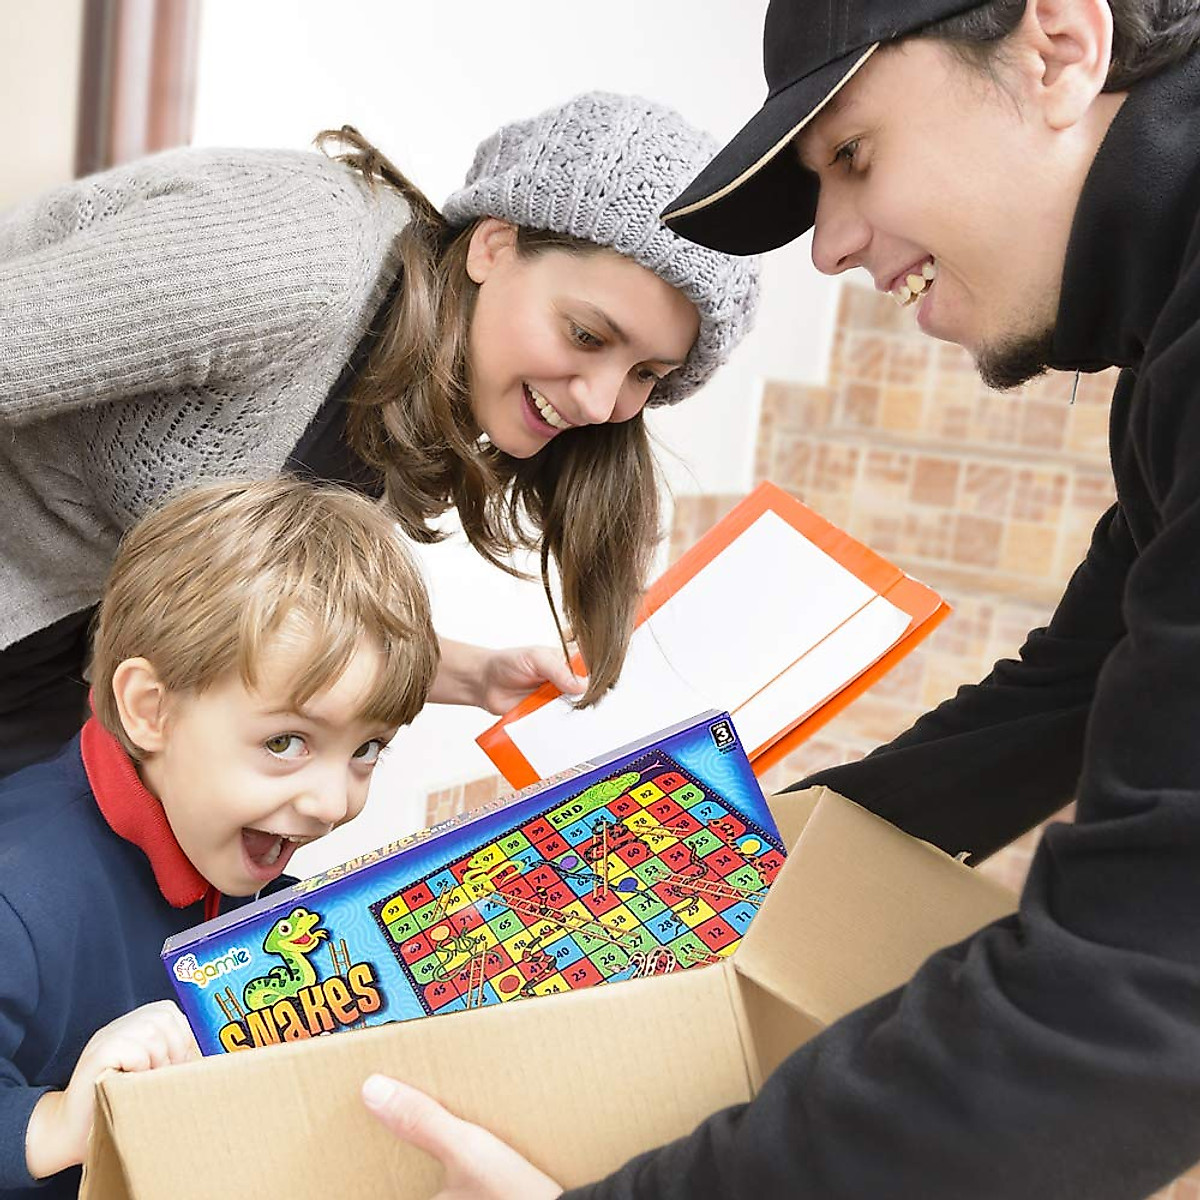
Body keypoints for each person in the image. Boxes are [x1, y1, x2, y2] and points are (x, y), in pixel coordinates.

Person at [354, 1, 1200, 1197]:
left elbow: (1141, 991)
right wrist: (713, 858)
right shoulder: (1166, 356)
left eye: (852, 156)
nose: (831, 245)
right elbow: (1063, 693)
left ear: (1059, 50)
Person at [0, 91, 759, 776]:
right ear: (493, 245)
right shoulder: (292, 257)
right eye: (588, 336)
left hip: (55, 672)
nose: (601, 402)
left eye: (646, 375)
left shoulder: (417, 383)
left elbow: (256, 595)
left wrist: (468, 675)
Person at [0, 475, 439, 1198]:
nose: (333, 802)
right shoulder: (20, 888)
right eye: (287, 741)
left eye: (367, 749)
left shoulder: (248, 867)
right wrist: (54, 1123)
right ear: (149, 711)